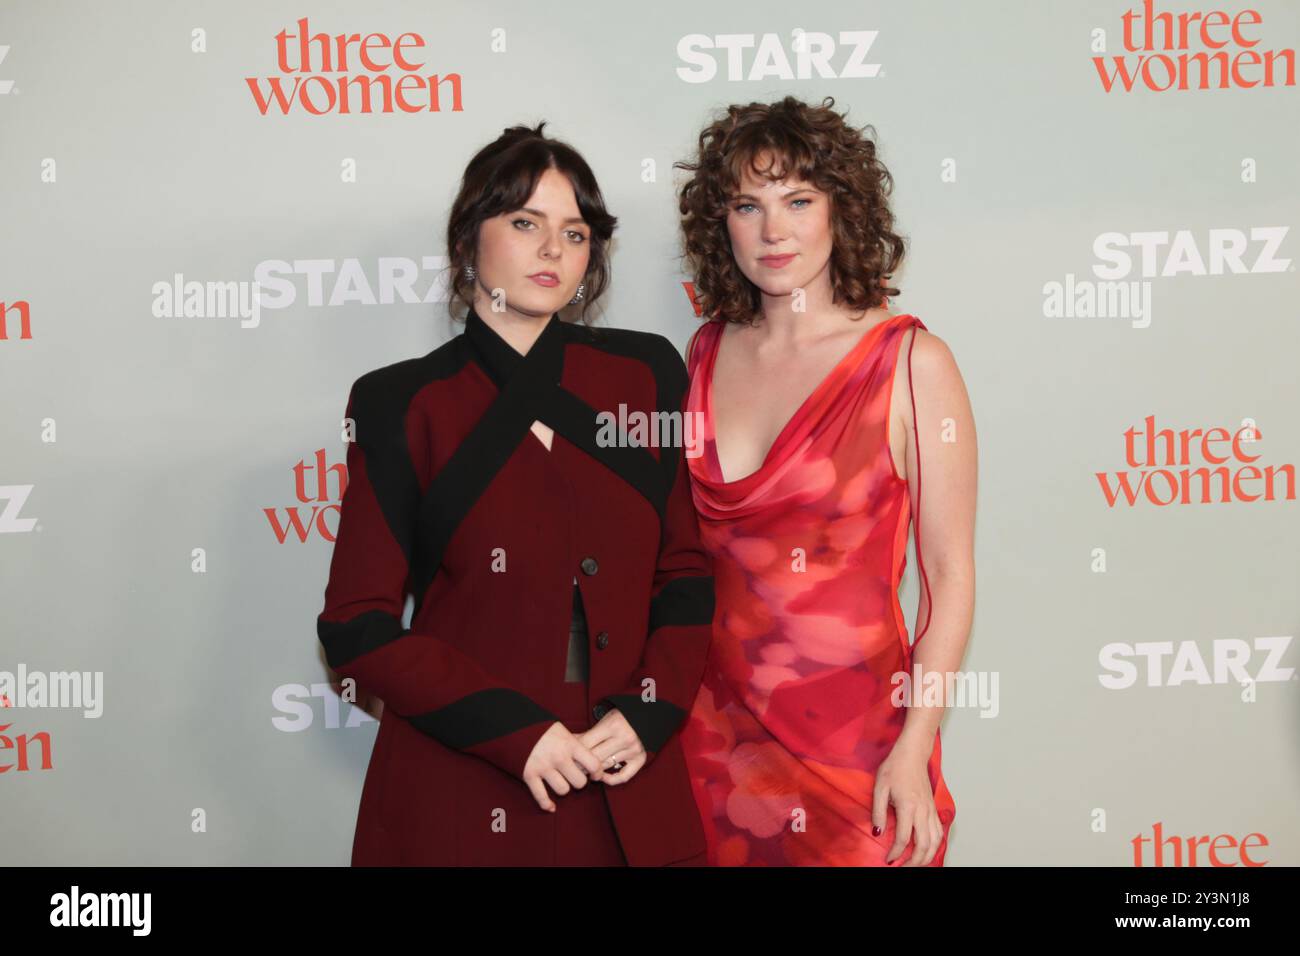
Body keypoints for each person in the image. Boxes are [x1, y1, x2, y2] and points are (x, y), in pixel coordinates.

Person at [316, 122, 714, 866]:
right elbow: (356, 624)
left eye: (576, 231)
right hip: (462, 785)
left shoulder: (644, 373)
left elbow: (684, 572)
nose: (553, 250)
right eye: (525, 222)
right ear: (470, 238)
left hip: (625, 775)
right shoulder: (403, 401)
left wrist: (651, 709)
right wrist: (513, 733)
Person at [674, 96, 976, 866]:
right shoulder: (700, 355)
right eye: (749, 204)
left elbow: (948, 576)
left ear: (843, 210)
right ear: (723, 223)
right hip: (708, 753)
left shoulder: (911, 364)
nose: (774, 231)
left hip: (861, 756)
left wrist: (916, 745)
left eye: (798, 200)